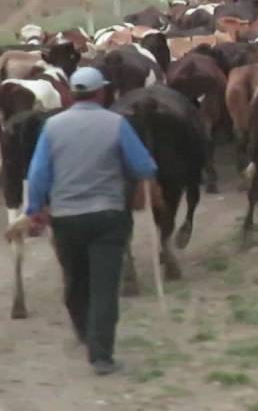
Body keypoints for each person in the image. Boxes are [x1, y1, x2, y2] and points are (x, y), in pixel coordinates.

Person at [25, 68, 158, 376]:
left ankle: (84, 331)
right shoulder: (117, 124)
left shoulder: (53, 126)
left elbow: (38, 174)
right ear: (101, 93)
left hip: (66, 218)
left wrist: (35, 210)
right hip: (108, 216)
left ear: (71, 94)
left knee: (75, 279)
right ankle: (101, 355)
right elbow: (144, 166)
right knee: (104, 286)